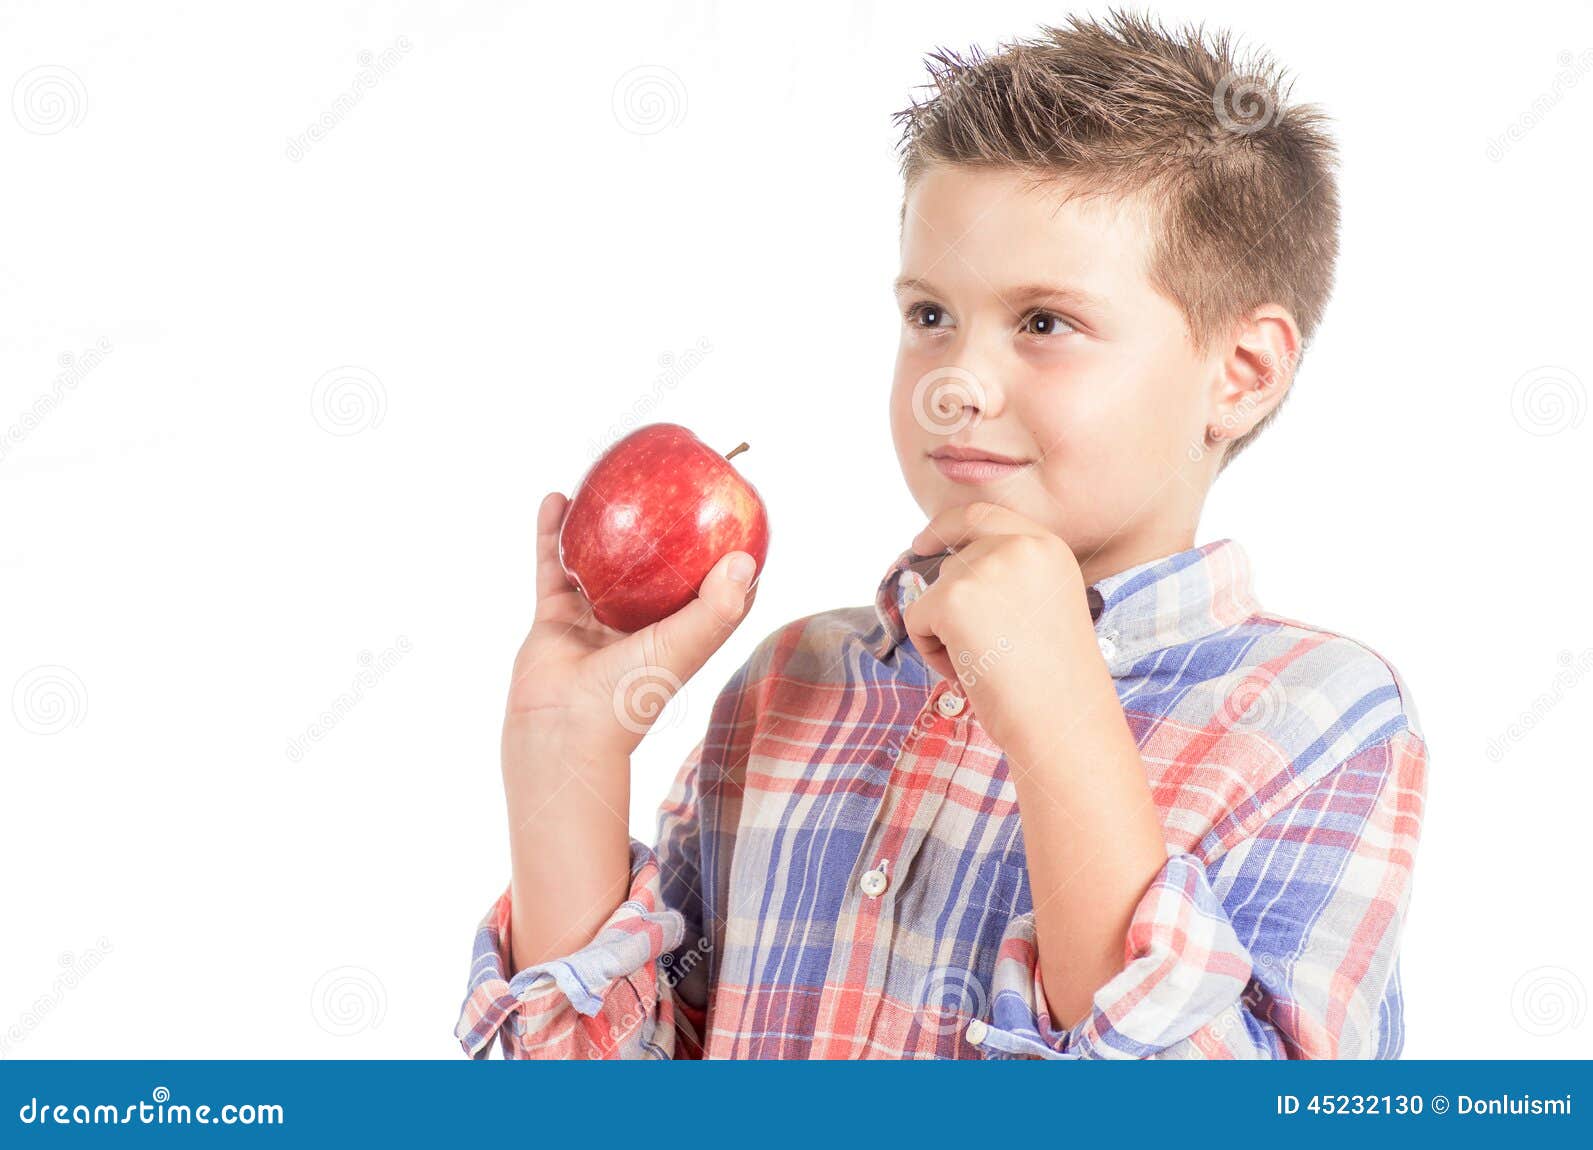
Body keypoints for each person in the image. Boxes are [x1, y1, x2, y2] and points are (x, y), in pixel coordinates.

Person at [456, 9, 1428, 1060]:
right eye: (929, 316)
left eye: (1044, 323)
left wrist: (1058, 717)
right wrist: (568, 756)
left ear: (1239, 373)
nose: (956, 384)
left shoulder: (1318, 720)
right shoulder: (792, 684)